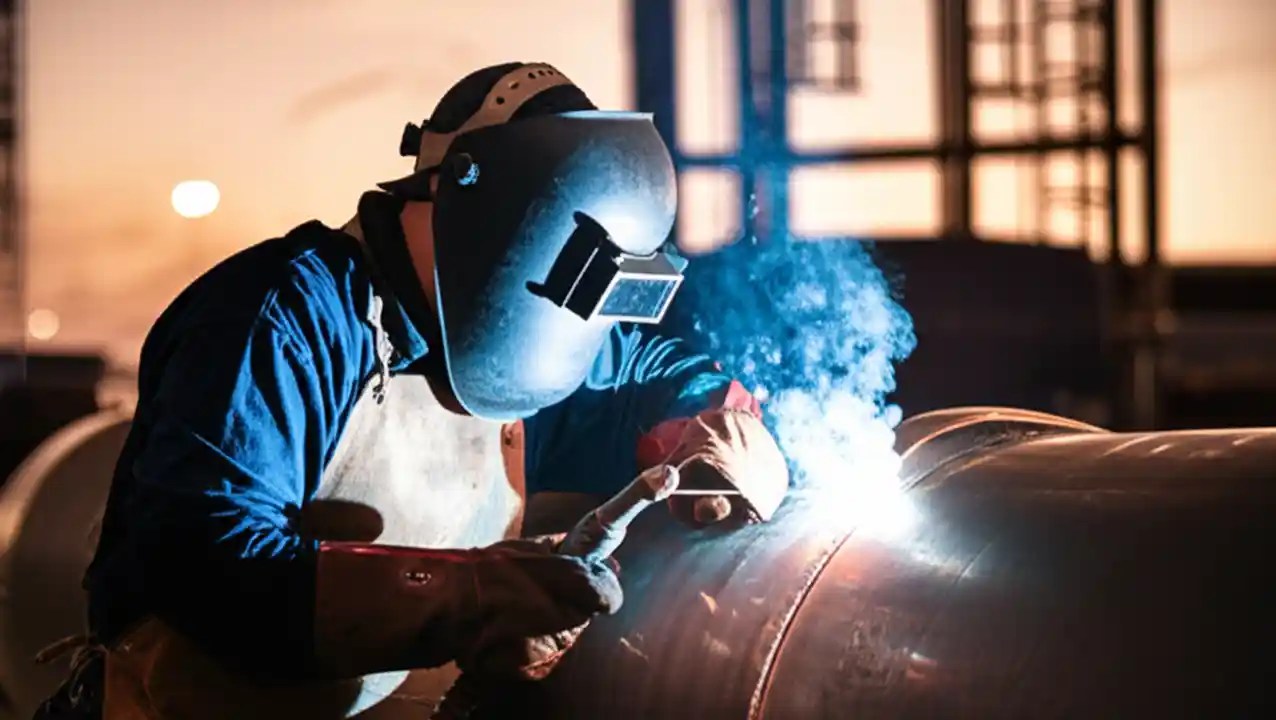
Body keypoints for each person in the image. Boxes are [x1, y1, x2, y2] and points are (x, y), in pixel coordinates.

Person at [35, 62, 788, 719]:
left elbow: (647, 375)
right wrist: (469, 598)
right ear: (481, 212)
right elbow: (203, 561)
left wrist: (720, 422)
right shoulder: (288, 316)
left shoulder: (533, 341)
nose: (561, 316)